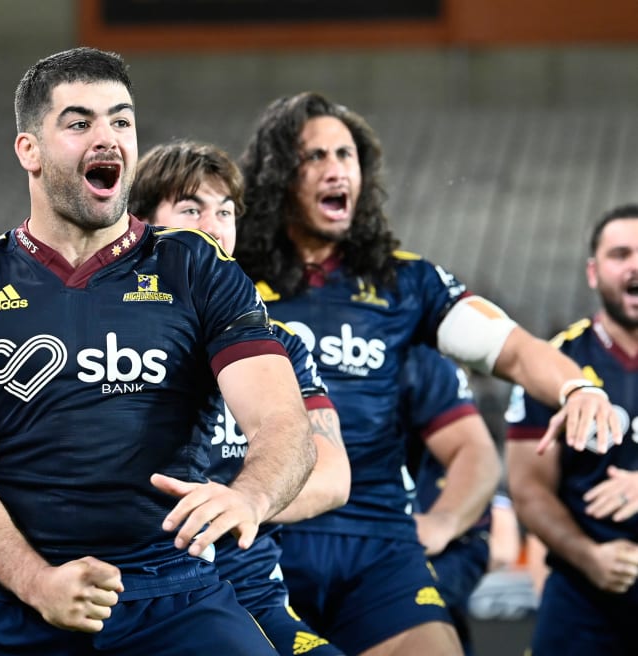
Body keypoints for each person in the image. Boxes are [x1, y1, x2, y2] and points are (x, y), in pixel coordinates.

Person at [0, 47, 317, 656]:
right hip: (8, 603)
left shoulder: (197, 267)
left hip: (175, 596)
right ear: (30, 151)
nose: (108, 138)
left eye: (121, 121)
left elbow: (285, 422)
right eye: (79, 123)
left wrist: (250, 495)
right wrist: (36, 582)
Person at [235, 90, 618, 656]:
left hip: (378, 548)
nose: (336, 168)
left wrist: (576, 385)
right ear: (277, 177)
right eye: (314, 157)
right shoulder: (229, 280)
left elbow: (510, 347)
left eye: (346, 154)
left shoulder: (406, 285)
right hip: (263, 538)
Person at [130, 138, 348, 656]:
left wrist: (247, 498)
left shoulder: (280, 342)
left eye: (224, 211)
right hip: (148, 590)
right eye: (191, 209)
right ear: (141, 225)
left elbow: (334, 476)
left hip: (252, 590)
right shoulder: (109, 334)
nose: (214, 225)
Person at [505, 204, 638, 655]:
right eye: (621, 254)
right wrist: (590, 557)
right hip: (583, 593)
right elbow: (527, 489)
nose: (635, 265)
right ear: (593, 272)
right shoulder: (556, 364)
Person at [400, 345, 502, 655]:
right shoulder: (381, 432)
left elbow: (499, 547)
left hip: (447, 559)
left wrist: (442, 524)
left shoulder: (467, 450)